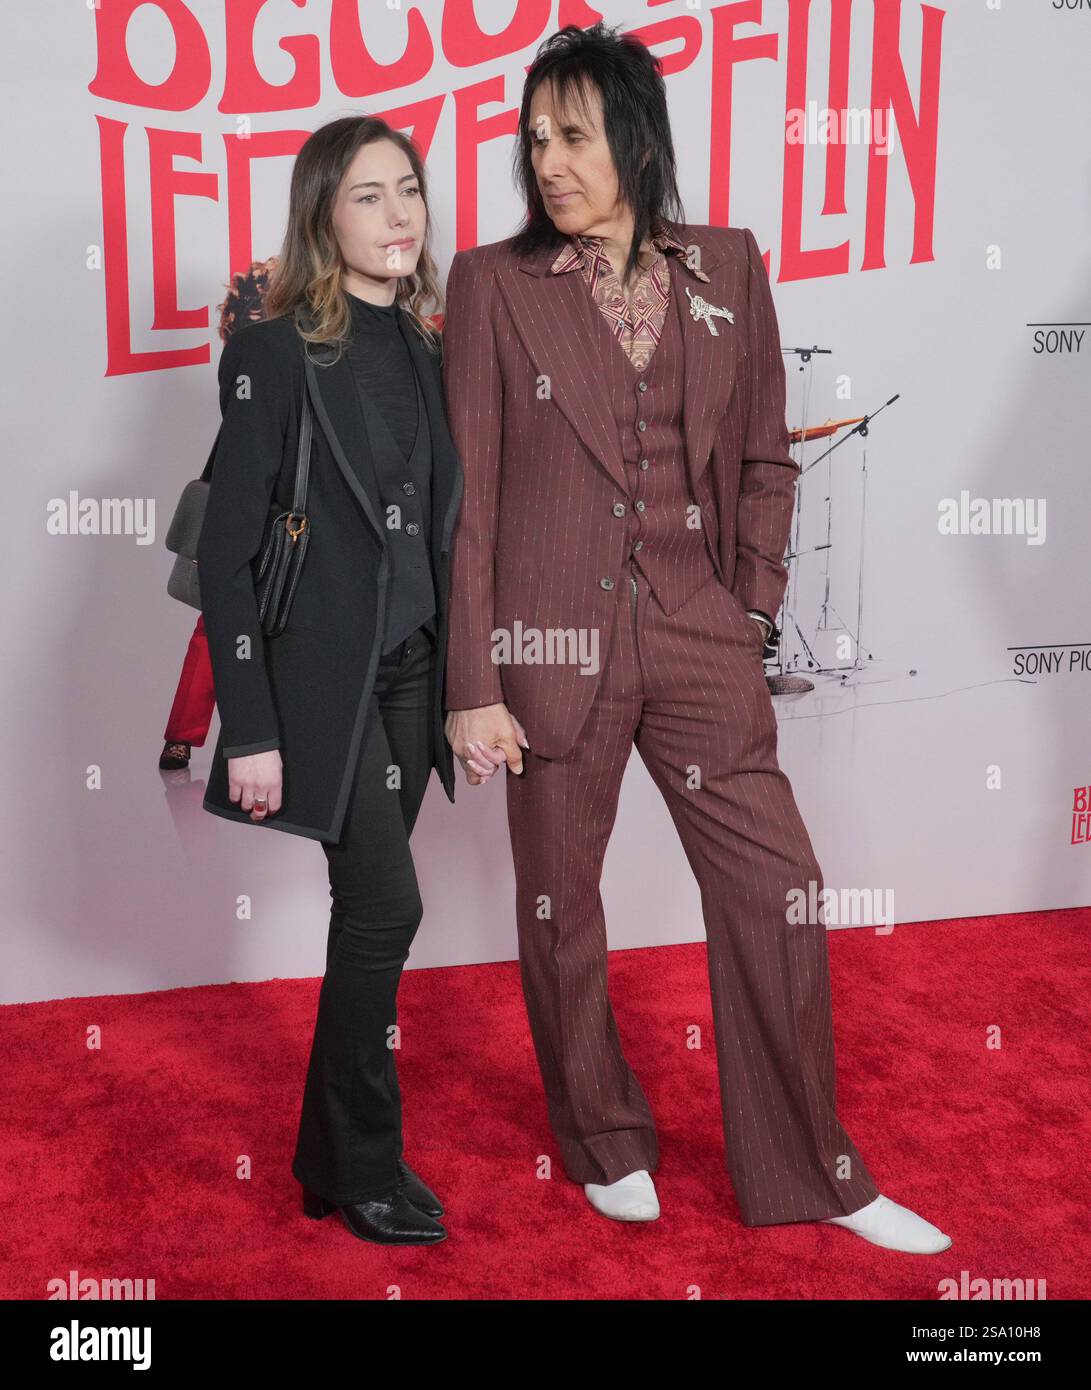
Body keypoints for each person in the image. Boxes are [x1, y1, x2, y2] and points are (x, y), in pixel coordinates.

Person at [441, 23, 950, 1254]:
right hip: (548, 648)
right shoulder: (489, 283)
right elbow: (469, 499)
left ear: (636, 139)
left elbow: (768, 453)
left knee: (776, 887)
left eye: (571, 134)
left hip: (697, 631)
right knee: (561, 903)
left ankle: (815, 1166)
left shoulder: (727, 262)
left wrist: (754, 608)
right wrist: (471, 682)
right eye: (533, 137)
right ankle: (602, 1133)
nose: (544, 159)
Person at [197, 115, 463, 1246]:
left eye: (407, 190)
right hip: (317, 683)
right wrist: (248, 727)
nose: (397, 214)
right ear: (322, 214)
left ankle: (327, 1158)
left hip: (410, 672)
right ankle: (366, 1165)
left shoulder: (430, 347)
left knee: (367, 913)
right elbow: (226, 549)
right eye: (367, 195)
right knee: (390, 905)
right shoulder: (269, 351)